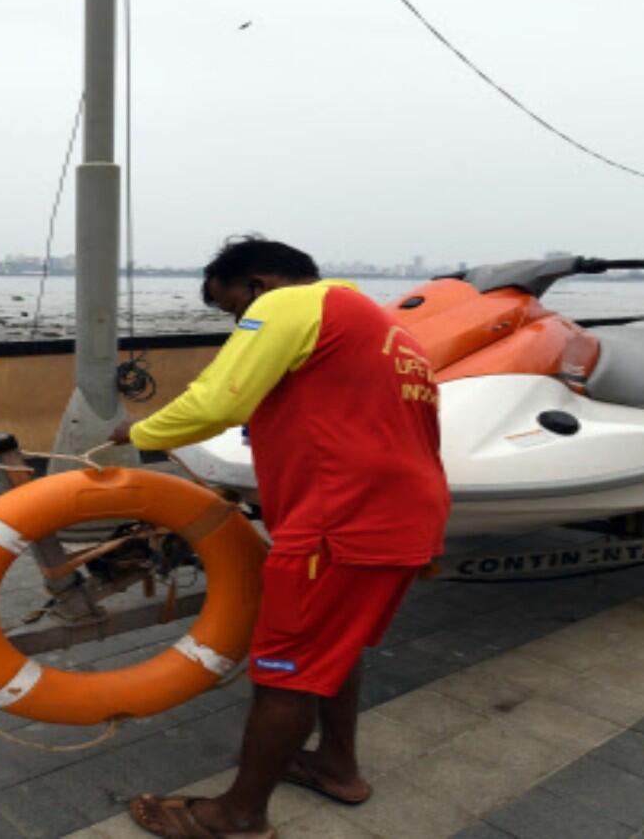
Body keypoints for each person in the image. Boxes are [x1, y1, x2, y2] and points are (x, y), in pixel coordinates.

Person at [110, 235, 449, 839]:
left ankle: (238, 815)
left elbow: (218, 400)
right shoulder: (379, 324)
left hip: (341, 523)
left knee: (284, 670)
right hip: (402, 515)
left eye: (233, 309)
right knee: (333, 650)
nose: (239, 325)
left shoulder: (289, 306)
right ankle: (336, 766)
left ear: (260, 285)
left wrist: (137, 432)